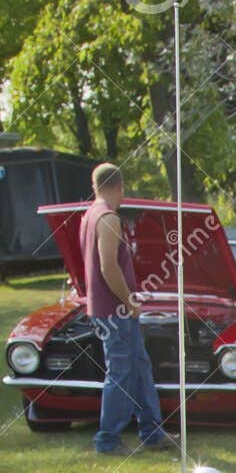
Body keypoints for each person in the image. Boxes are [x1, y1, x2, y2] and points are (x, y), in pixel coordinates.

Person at [79, 162, 166, 455]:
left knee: (139, 367)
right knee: (121, 372)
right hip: (115, 310)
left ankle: (152, 432)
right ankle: (108, 439)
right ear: (120, 186)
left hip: (104, 308)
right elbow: (108, 266)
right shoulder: (108, 218)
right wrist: (129, 300)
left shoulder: (88, 216)